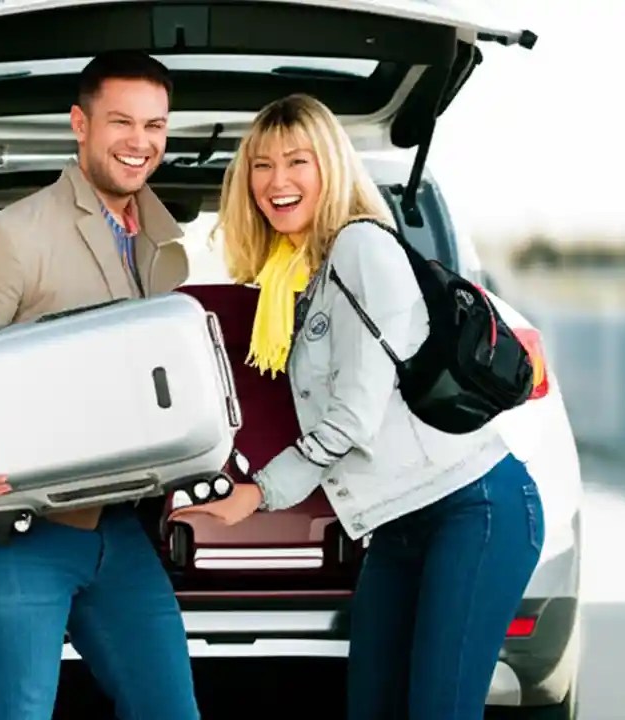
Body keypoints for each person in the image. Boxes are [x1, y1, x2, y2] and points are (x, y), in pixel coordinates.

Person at [169, 92, 546, 719]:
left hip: (469, 507)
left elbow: (353, 414)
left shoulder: (361, 249)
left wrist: (257, 494)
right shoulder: (298, 278)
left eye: (298, 161)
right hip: (396, 526)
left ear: (332, 168)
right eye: (262, 165)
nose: (277, 181)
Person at [0, 50, 201, 720]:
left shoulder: (160, 243)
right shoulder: (12, 237)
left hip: (118, 527)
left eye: (154, 125)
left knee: (170, 709)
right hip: (18, 528)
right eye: (121, 121)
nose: (140, 141)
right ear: (80, 124)